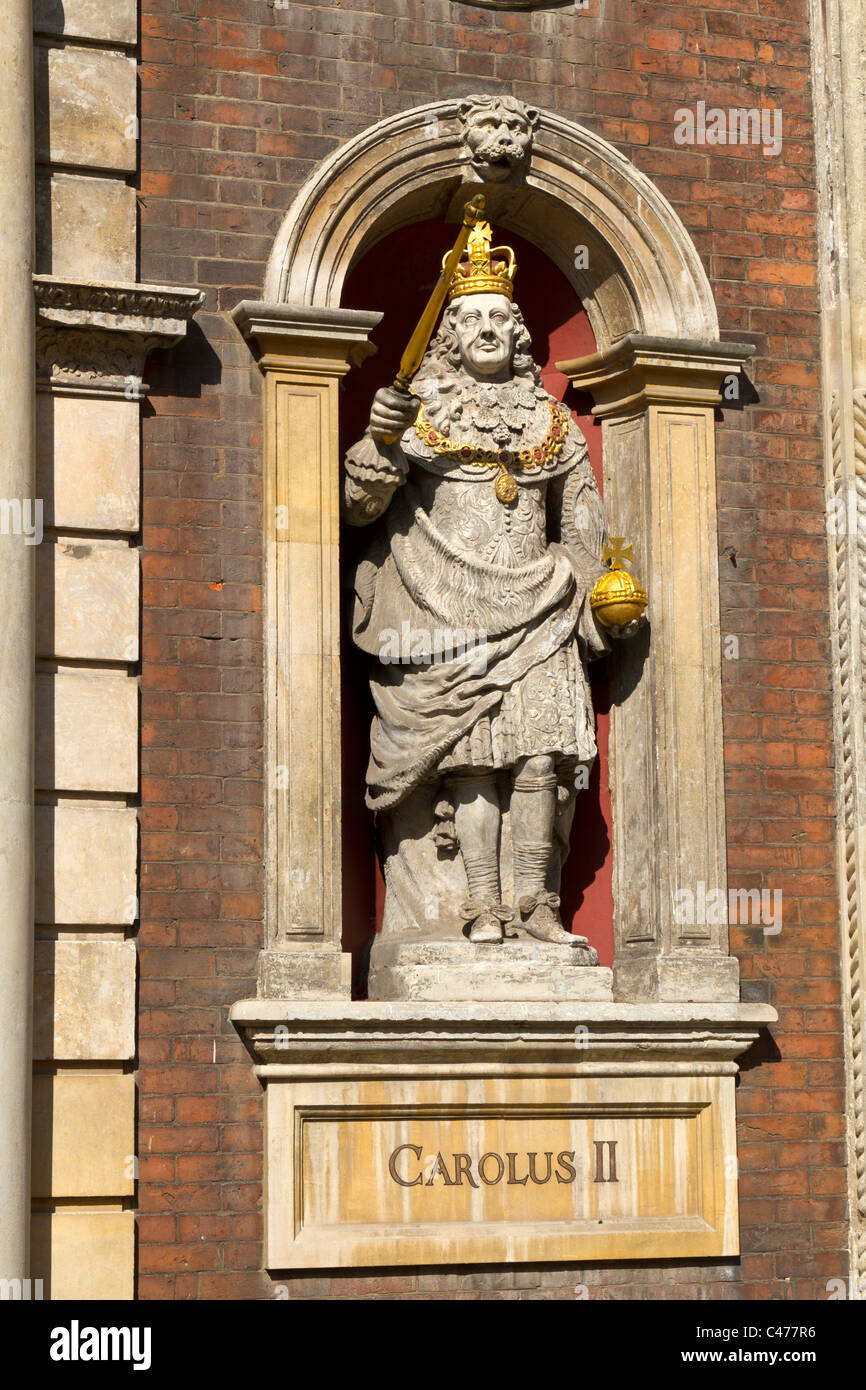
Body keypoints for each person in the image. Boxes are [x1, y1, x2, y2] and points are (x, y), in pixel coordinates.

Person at [342, 223, 638, 950]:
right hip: (444, 612)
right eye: (470, 317)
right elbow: (360, 506)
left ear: (519, 333)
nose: (485, 329)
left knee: (539, 758)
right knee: (472, 762)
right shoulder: (416, 410)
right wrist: (380, 442)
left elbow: (581, 522)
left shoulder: (553, 422)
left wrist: (603, 596)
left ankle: (536, 904)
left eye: (499, 318)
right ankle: (480, 902)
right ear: (449, 333)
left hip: (543, 607)